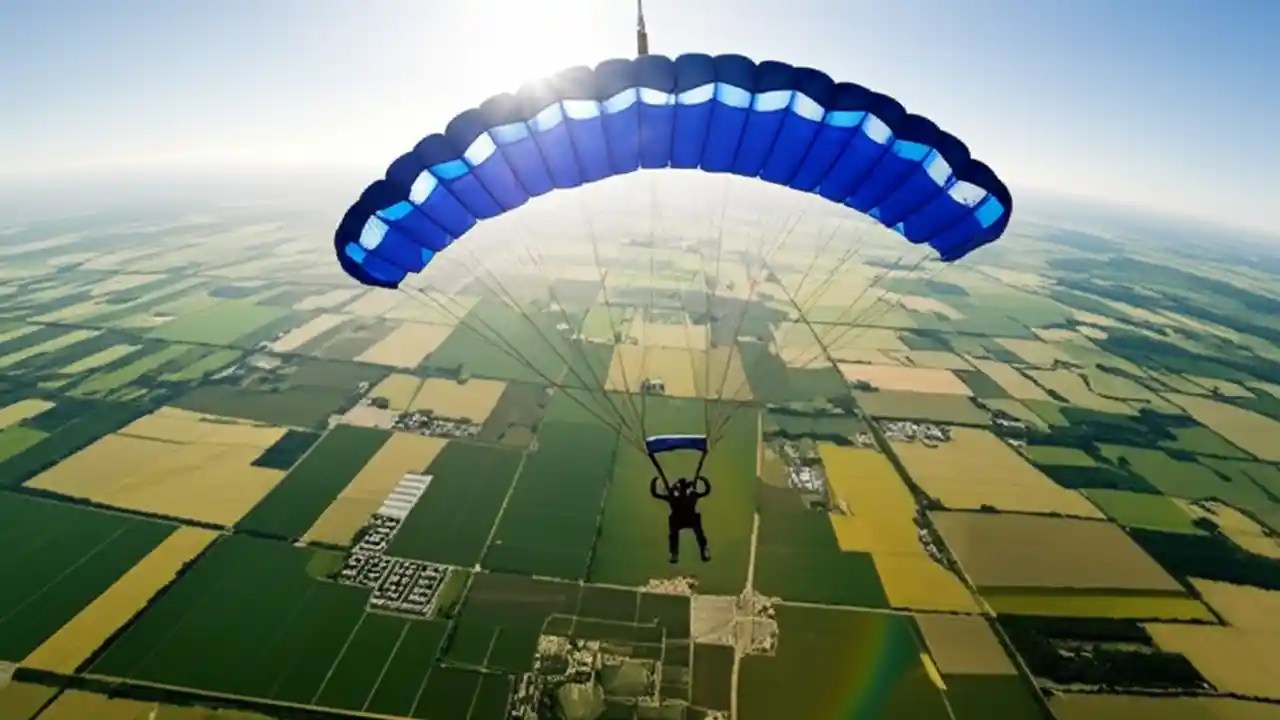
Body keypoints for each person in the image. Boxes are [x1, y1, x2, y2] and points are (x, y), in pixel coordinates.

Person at [651, 475, 711, 563]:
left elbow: (707, 491)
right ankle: (674, 553)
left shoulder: (692, 495)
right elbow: (655, 494)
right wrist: (654, 483)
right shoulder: (673, 496)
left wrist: (704, 481)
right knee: (673, 533)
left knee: (699, 532)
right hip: (678, 519)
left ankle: (703, 550)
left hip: (691, 518)